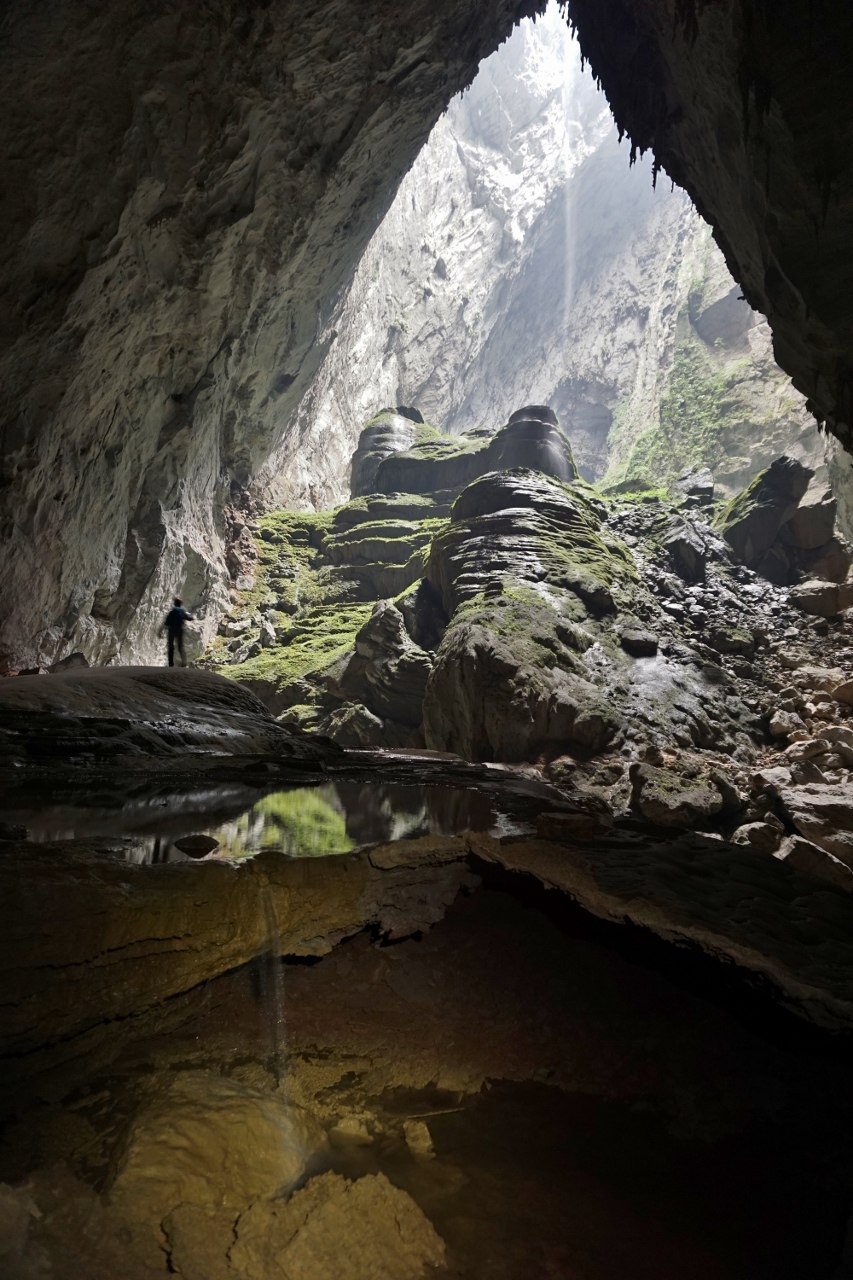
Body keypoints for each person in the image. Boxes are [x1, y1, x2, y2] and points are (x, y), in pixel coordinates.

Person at [162, 597, 194, 667]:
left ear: (175, 603)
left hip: (171, 630)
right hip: (179, 630)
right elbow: (190, 618)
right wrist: (189, 615)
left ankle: (171, 664)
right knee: (180, 647)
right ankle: (184, 662)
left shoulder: (172, 612)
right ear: (180, 604)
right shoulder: (182, 611)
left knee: (171, 647)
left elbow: (167, 623)